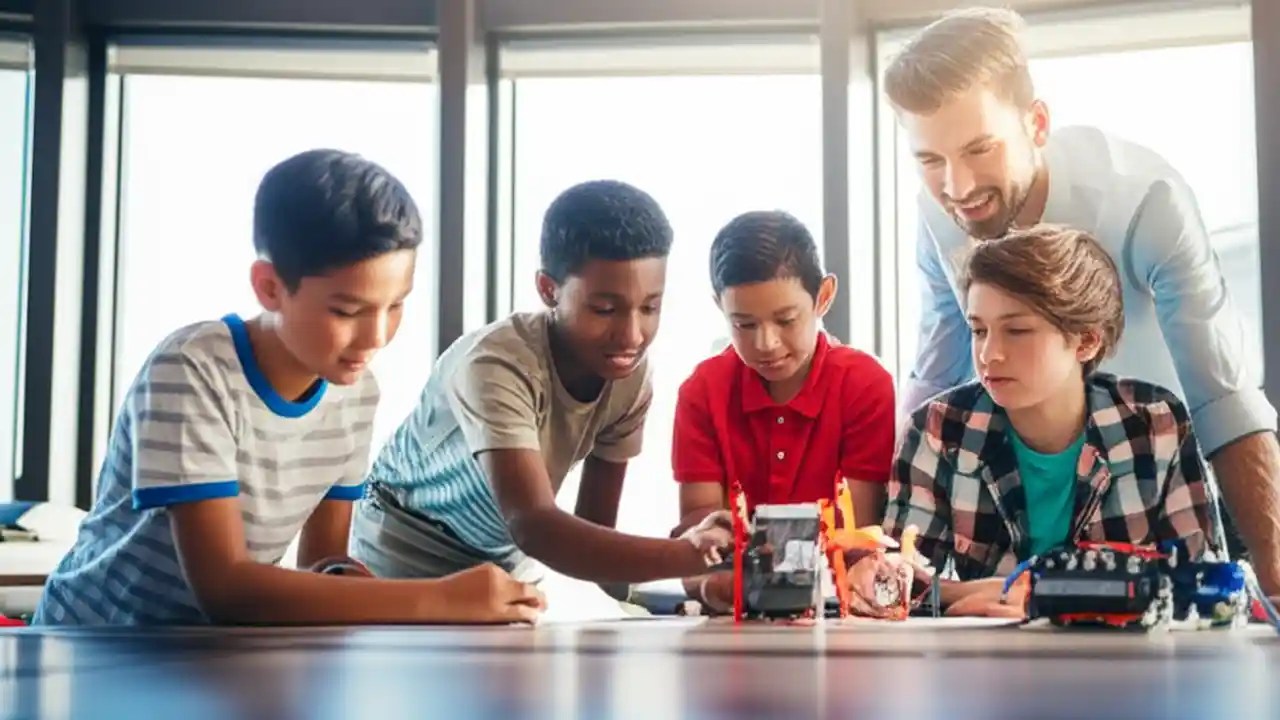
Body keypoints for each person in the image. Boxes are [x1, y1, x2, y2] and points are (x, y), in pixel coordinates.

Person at [33, 149, 544, 626]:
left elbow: (321, 560)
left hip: (209, 657)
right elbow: (224, 588)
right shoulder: (191, 370)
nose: (376, 336)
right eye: (347, 311)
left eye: (396, 305)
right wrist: (439, 597)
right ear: (270, 287)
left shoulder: (355, 390)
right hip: (96, 639)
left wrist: (342, 576)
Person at [884, 6, 1280, 599]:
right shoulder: (935, 215)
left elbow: (1222, 395)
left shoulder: (1145, 199)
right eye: (930, 161)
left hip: (1153, 470)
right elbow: (935, 375)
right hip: (1015, 489)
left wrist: (1277, 585)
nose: (958, 188)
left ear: (1037, 125)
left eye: (980, 149)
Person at [350, 179, 732, 586]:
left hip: (501, 564)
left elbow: (594, 532)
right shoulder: (495, 365)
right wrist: (689, 554)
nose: (632, 335)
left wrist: (695, 567)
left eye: (649, 307)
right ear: (549, 290)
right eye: (605, 309)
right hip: (401, 557)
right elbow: (533, 524)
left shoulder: (630, 376)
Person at [884, 225, 1221, 617]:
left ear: (1086, 341)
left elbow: (1202, 585)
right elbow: (896, 587)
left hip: (1124, 671)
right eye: (978, 330)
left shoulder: (1155, 425)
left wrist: (1043, 596)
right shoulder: (937, 428)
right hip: (984, 667)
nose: (990, 353)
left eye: (1017, 331)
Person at [667, 210, 896, 612]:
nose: (766, 343)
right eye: (743, 324)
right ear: (719, 306)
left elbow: (859, 536)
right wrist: (710, 581)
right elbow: (698, 529)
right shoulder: (702, 391)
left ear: (823, 297)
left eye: (786, 320)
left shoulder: (864, 384)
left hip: (836, 605)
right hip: (734, 604)